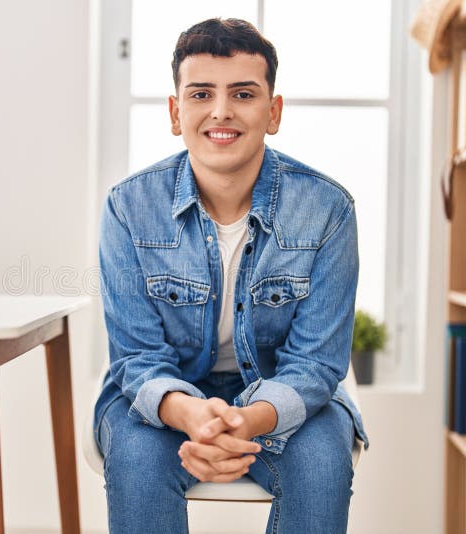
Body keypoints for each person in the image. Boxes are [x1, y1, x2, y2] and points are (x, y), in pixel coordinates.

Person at [94, 17, 369, 533]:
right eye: (201, 94)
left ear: (274, 111)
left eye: (243, 93)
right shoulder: (128, 207)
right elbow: (137, 359)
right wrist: (191, 415)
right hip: (165, 399)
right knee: (137, 460)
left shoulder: (329, 209)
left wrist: (248, 418)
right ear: (176, 113)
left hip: (282, 396)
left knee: (320, 464)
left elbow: (315, 363)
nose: (221, 111)